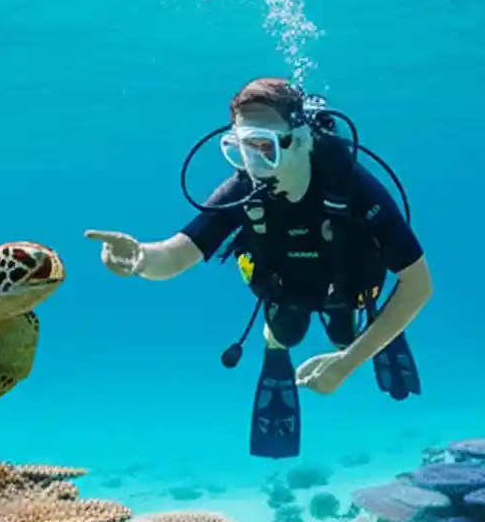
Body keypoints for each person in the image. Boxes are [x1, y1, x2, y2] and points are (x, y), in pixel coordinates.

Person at [85, 77, 433, 458]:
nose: (253, 166)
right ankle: (280, 341)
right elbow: (175, 255)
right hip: (285, 286)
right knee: (286, 334)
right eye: (240, 150)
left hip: (348, 287)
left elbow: (418, 285)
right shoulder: (244, 189)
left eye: (263, 147)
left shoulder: (352, 186)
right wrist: (139, 260)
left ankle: (379, 328)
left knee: (344, 340)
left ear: (299, 138)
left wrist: (348, 363)